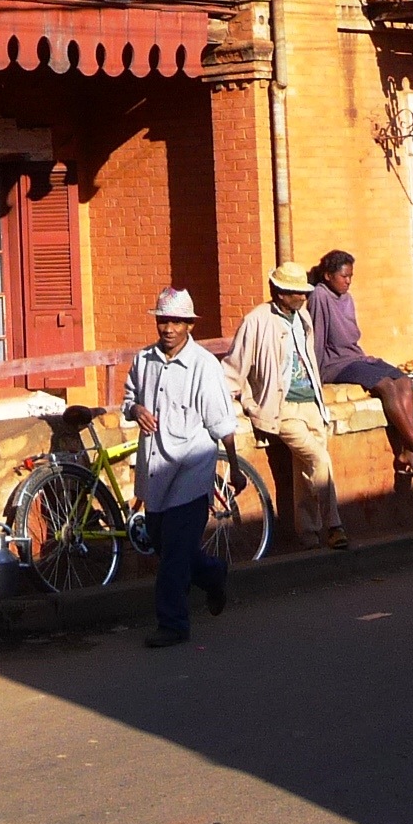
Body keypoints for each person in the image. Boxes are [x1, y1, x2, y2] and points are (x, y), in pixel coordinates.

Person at [125, 289, 238, 648]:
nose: (168, 328)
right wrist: (136, 411)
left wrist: (233, 467)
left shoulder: (204, 366)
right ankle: (212, 574)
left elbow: (221, 422)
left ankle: (173, 623)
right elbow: (129, 398)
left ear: (189, 325)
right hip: (156, 468)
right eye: (163, 320)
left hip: (192, 467)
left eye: (175, 321)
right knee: (162, 541)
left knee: (174, 550)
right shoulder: (144, 360)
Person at [228, 266, 350, 552]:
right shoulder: (256, 321)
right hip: (281, 409)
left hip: (311, 404)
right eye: (297, 293)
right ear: (281, 293)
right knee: (319, 459)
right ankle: (334, 525)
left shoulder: (302, 317)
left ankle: (308, 536)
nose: (303, 297)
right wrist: (233, 400)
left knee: (306, 472)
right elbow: (234, 367)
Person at [305, 251, 413, 478]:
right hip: (335, 363)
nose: (348, 281)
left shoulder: (347, 298)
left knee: (403, 381)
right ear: (328, 276)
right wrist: (315, 374)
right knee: (386, 386)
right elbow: (316, 337)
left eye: (350, 276)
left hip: (356, 357)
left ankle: (406, 452)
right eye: (344, 277)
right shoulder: (320, 296)